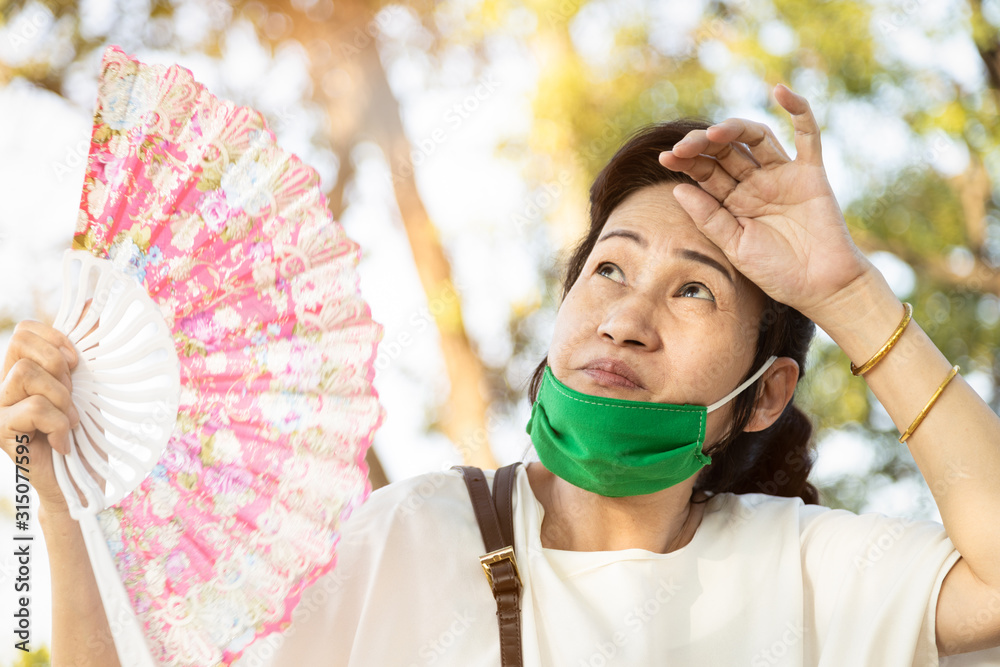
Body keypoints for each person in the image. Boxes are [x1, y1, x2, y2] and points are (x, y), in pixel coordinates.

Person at [3, 84, 999, 666]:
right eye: (608, 267)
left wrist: (847, 291)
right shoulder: (405, 536)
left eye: (692, 292)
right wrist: (48, 497)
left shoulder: (803, 569)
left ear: (766, 394)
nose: (627, 315)